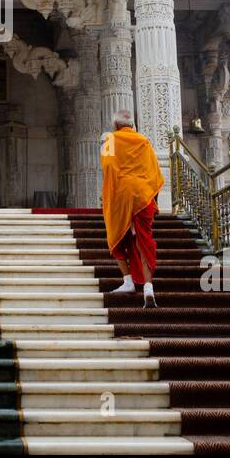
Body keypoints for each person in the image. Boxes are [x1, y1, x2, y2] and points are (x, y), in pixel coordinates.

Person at [100, 109, 165, 308]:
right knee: (143, 239)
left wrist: (109, 196)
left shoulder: (109, 139)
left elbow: (107, 167)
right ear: (132, 125)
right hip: (143, 195)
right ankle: (148, 287)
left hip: (121, 193)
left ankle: (128, 280)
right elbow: (155, 172)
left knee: (116, 236)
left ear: (116, 126)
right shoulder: (144, 141)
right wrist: (153, 198)